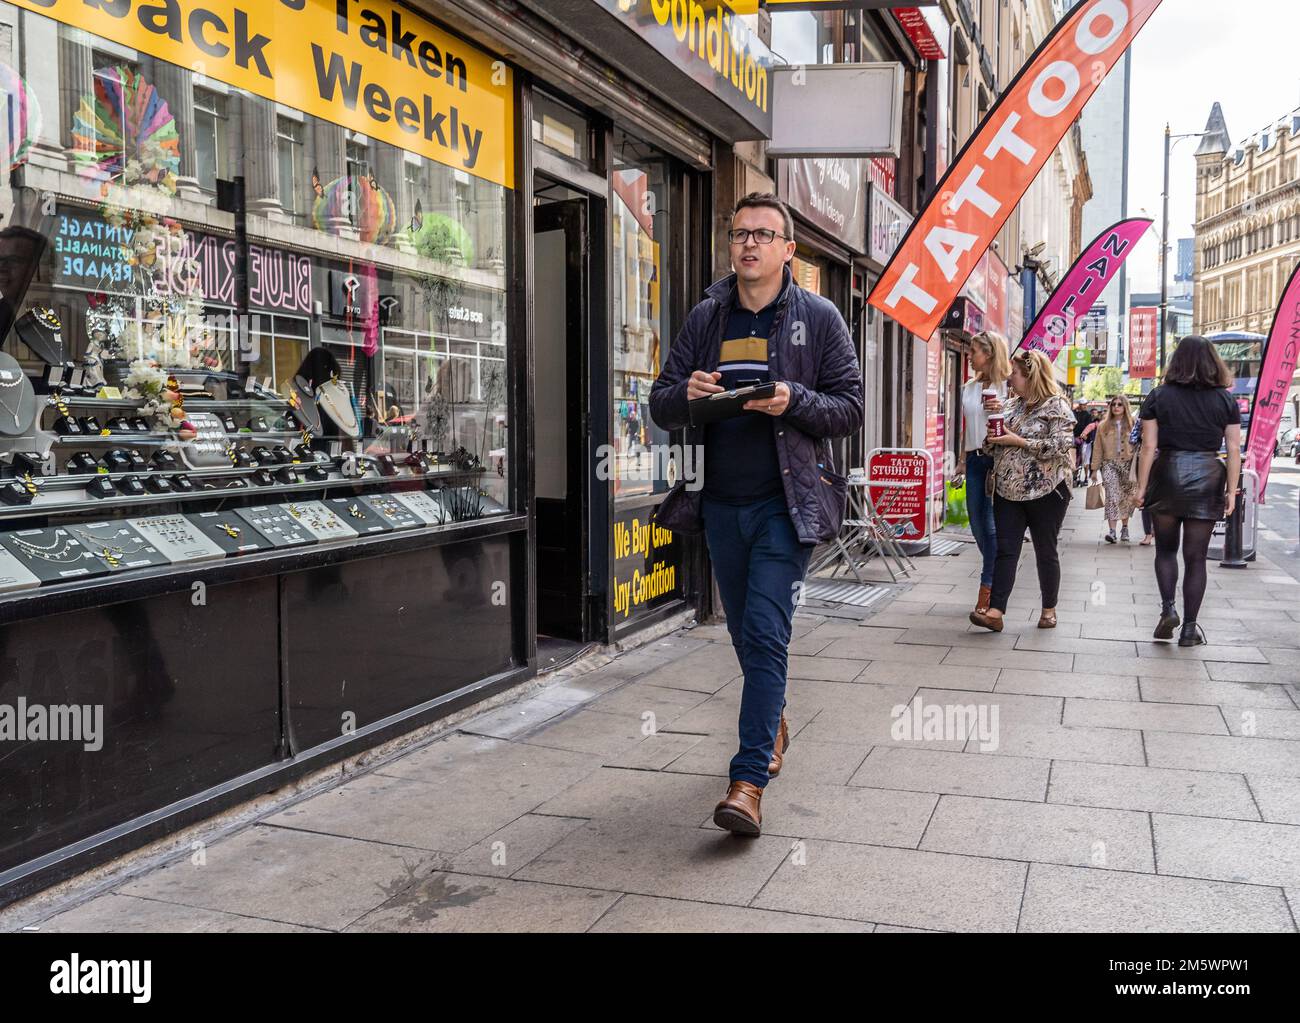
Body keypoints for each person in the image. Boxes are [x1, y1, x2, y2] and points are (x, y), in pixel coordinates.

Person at [648, 192, 863, 836]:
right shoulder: (707, 317)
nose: (749, 244)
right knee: (745, 634)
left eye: (764, 235)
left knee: (768, 635)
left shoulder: (819, 318)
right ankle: (774, 721)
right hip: (718, 504)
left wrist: (791, 399)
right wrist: (686, 394)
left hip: (784, 506)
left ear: (788, 250)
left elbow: (849, 408)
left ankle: (747, 782)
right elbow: (660, 402)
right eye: (741, 233)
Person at [1135, 336, 1241, 646]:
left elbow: (1148, 447)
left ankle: (1168, 609)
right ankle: (1189, 628)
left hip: (1168, 472)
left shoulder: (1158, 396)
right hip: (1208, 476)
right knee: (1196, 558)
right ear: (1212, 362)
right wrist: (1231, 492)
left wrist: (1141, 488)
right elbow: (1233, 449)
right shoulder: (1225, 399)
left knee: (1165, 550)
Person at [969, 350, 1075, 632]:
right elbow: (993, 444)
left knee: (1045, 550)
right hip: (1008, 491)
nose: (1009, 377)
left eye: (1013, 373)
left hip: (1046, 490)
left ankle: (1049, 609)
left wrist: (1020, 441)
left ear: (1030, 376)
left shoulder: (1057, 407)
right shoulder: (1010, 406)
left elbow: (1060, 446)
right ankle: (995, 611)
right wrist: (992, 438)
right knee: (1006, 550)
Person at [960, 331, 1011, 615]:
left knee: (991, 528)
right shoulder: (969, 388)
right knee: (977, 525)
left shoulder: (1008, 388)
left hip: (999, 459)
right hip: (974, 460)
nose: (969, 355)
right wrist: (961, 458)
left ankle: (988, 591)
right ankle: (998, 572)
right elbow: (966, 425)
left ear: (989, 353)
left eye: (974, 351)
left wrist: (1003, 410)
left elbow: (1018, 423)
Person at [1090, 395, 1139, 543]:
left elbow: (1139, 444)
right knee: (1112, 495)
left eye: (1119, 404)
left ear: (1125, 407)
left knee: (1126, 497)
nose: (1116, 407)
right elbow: (1097, 448)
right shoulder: (1103, 426)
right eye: (1113, 404)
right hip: (1109, 464)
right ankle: (1112, 531)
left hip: (1129, 465)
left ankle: (1124, 528)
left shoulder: (1134, 424)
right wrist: (1094, 469)